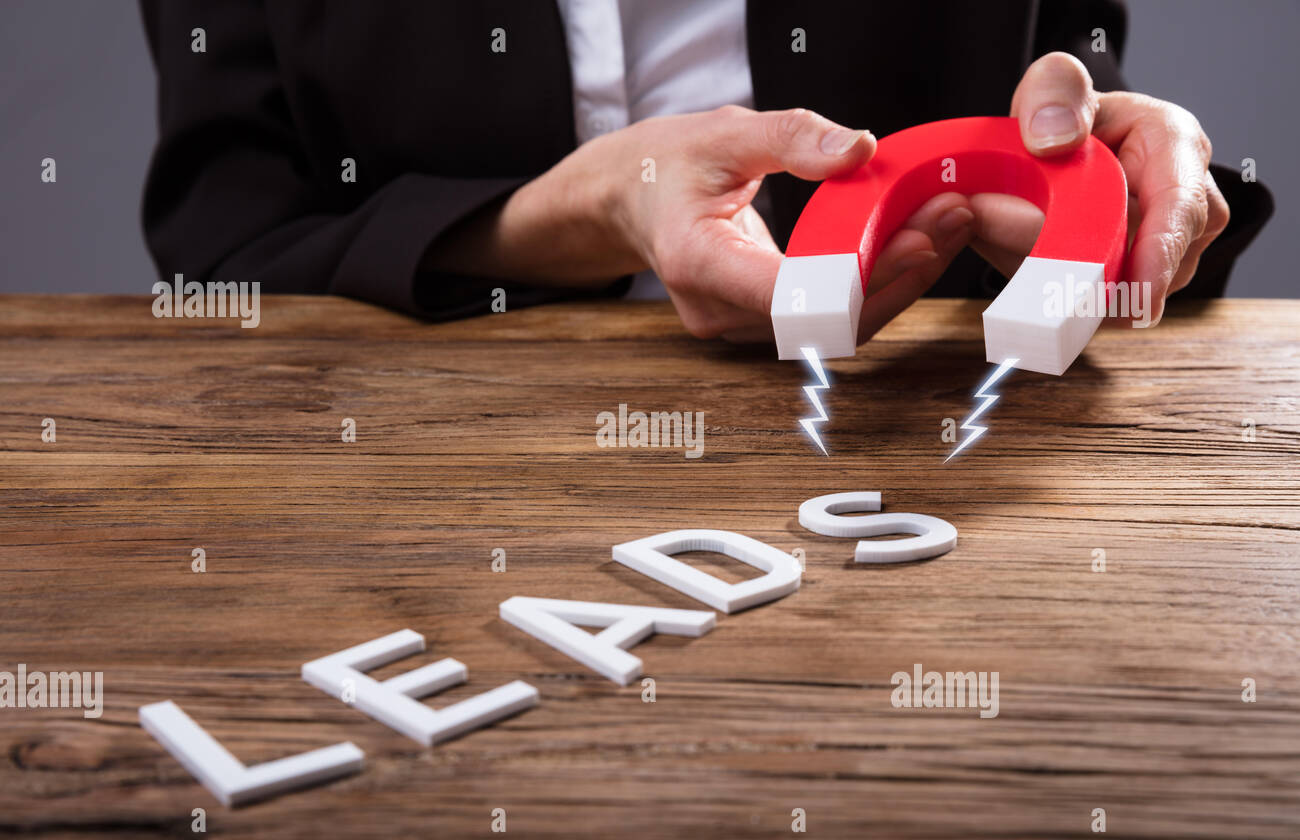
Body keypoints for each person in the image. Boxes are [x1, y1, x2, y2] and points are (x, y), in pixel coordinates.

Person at [139, 0, 1271, 346]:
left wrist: (1112, 171)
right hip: (410, 470)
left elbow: (1066, 87)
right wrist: (582, 209)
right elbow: (229, 245)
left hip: (916, 432)